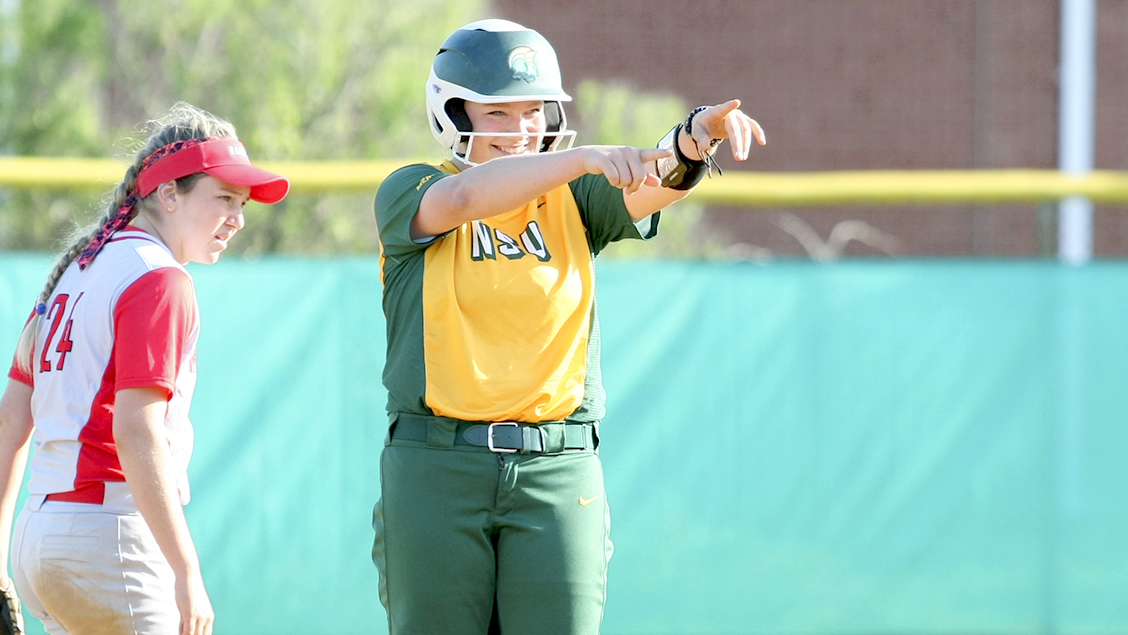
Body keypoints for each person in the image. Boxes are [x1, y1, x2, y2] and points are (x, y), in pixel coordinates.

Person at [371, 18, 765, 635]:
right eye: (499, 113)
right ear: (452, 112)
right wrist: (583, 159)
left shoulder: (573, 198)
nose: (523, 128)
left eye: (534, 111)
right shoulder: (411, 188)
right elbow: (468, 201)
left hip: (555, 466)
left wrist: (692, 140)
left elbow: (656, 183)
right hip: (436, 463)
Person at [0, 103, 289, 635]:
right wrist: (186, 571)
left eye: (242, 202)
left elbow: (12, 419)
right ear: (168, 193)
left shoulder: (76, 269)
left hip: (38, 534)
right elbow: (136, 430)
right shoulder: (160, 279)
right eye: (224, 197)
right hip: (107, 537)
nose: (238, 218)